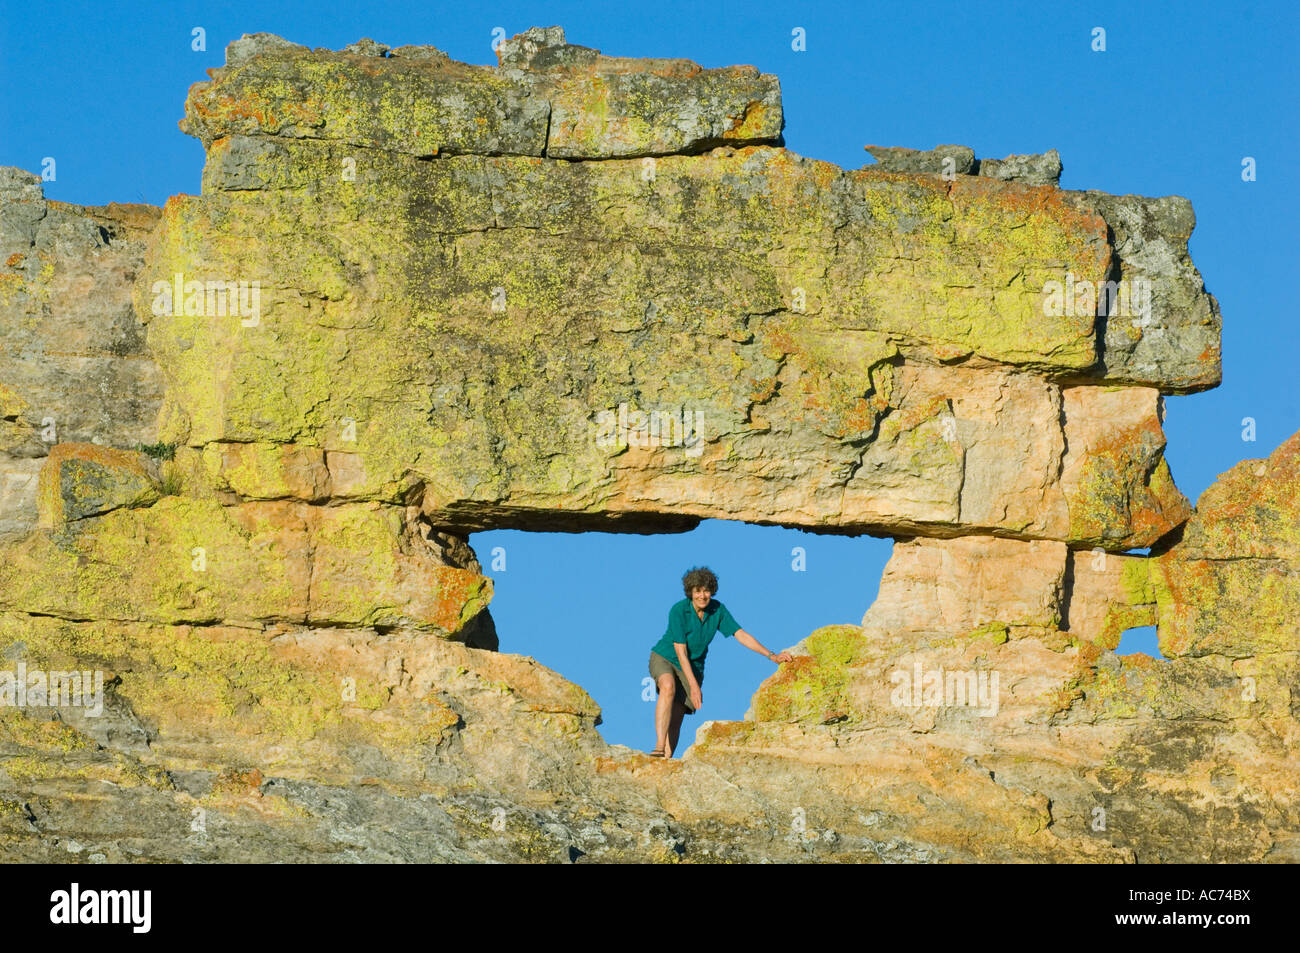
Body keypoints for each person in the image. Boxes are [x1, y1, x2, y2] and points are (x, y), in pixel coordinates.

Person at [647, 566, 793, 758]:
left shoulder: (717, 610)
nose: (702, 595)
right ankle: (658, 746)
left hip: (694, 666)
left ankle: (666, 758)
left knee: (677, 715)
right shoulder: (679, 610)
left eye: (706, 590)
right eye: (697, 591)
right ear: (690, 592)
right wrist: (693, 686)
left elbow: (740, 635)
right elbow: (680, 651)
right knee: (668, 686)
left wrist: (771, 655)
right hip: (666, 657)